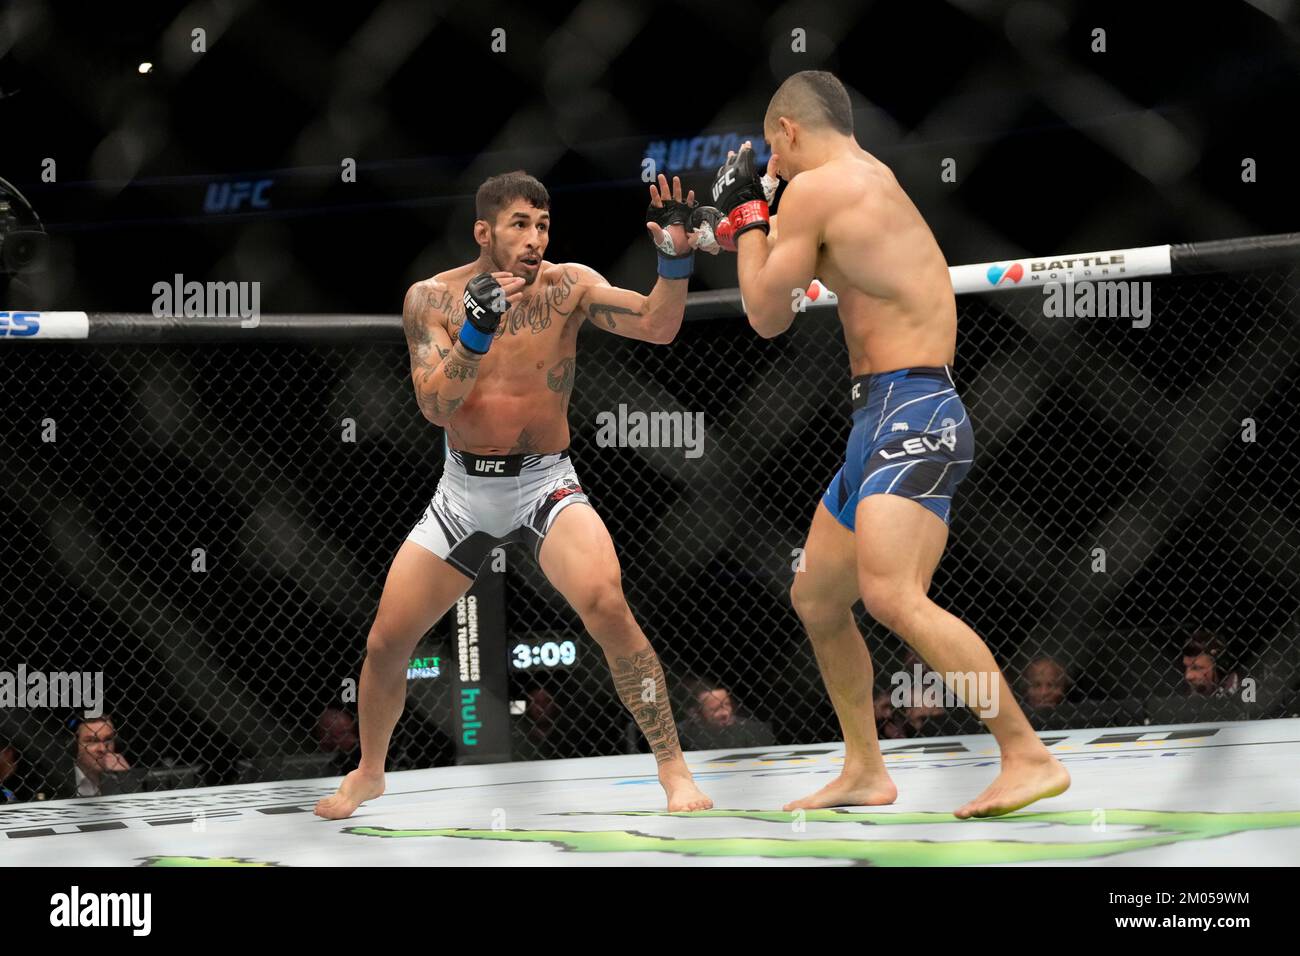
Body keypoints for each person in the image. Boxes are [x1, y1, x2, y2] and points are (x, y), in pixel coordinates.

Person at [697, 70, 1069, 818]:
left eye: (774, 156)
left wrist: (745, 213)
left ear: (789, 131)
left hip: (915, 408)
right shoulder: (862, 179)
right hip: (881, 414)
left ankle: (1025, 753)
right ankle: (866, 768)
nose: (772, 172)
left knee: (892, 594)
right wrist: (729, 227)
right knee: (818, 597)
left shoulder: (818, 187)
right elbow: (777, 265)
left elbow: (766, 312)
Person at [316, 170, 713, 818]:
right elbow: (435, 405)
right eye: (520, 225)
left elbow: (658, 325)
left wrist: (673, 258)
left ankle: (673, 768)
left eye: (544, 225)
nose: (535, 239)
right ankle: (369, 771)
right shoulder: (432, 299)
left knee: (607, 603)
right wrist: (475, 330)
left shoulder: (568, 287)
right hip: (463, 492)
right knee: (387, 642)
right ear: (484, 232)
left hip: (544, 482)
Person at [675, 677, 775, 750]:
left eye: (726, 704)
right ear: (695, 713)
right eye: (715, 709)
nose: (725, 713)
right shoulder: (679, 736)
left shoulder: (748, 730)